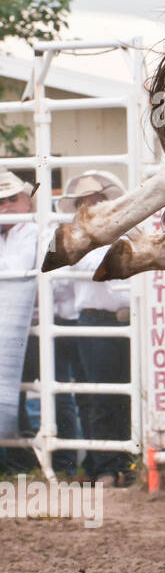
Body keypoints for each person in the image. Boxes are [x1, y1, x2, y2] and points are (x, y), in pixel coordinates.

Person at [62, 171, 135, 486]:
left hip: (122, 318)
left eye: (97, 200)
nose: (91, 207)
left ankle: (118, 464)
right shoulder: (73, 237)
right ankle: (106, 467)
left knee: (120, 394)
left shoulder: (120, 233)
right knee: (101, 395)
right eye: (85, 202)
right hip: (94, 319)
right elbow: (96, 268)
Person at [0, 171, 39, 474]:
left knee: (49, 393)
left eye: (13, 198)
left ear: (27, 200)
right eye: (1, 201)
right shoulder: (7, 235)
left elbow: (17, 269)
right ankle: (18, 461)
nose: (6, 206)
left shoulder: (35, 231)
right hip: (12, 326)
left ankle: (47, 459)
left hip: (36, 326)